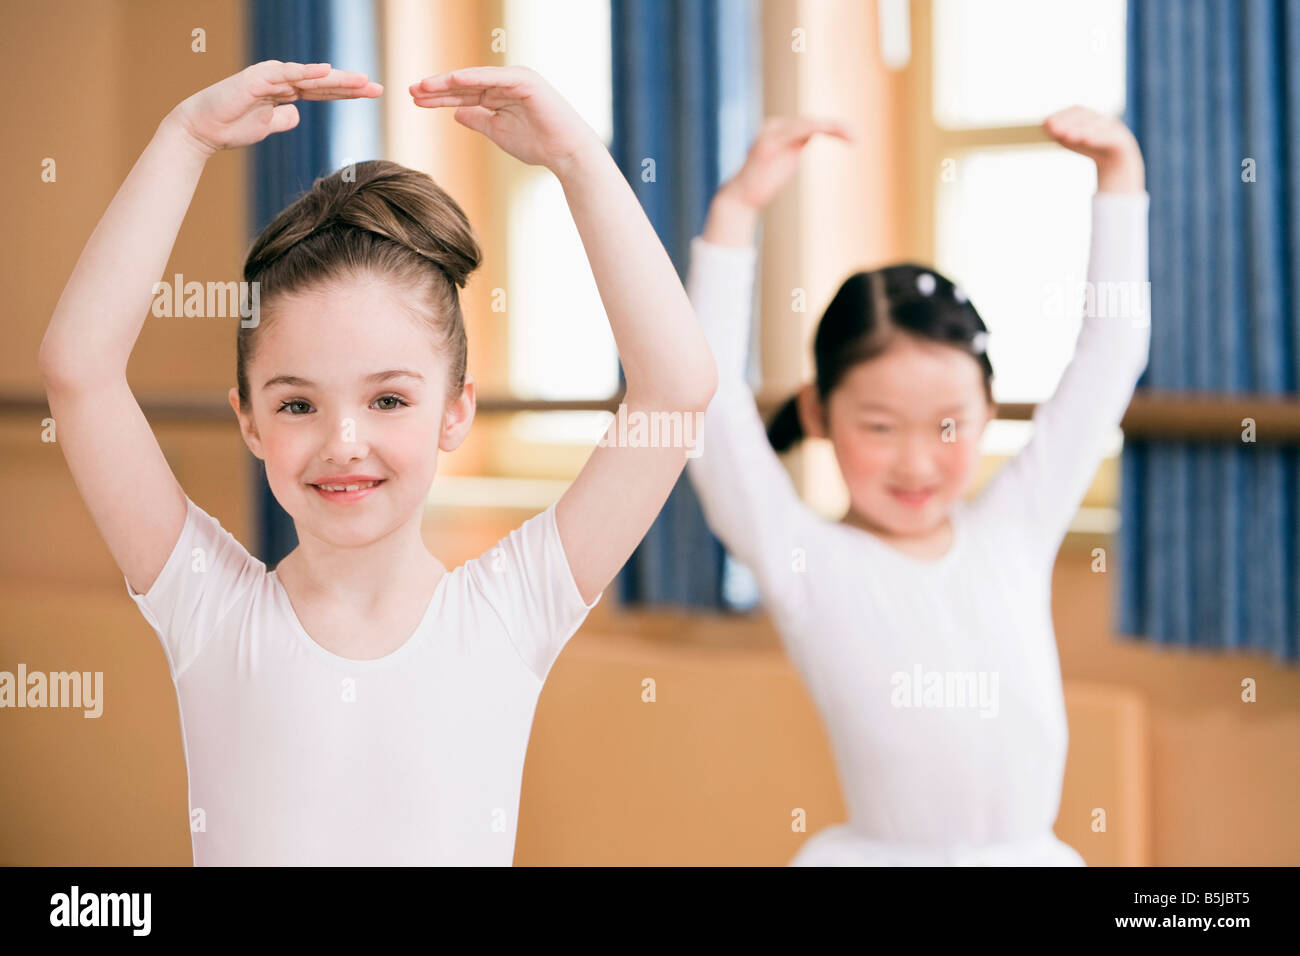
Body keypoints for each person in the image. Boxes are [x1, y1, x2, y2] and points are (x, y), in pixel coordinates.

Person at [38, 61, 716, 865]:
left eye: (388, 399)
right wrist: (182, 139)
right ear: (248, 420)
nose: (344, 441)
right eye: (298, 404)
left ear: (455, 409)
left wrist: (577, 158)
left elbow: (676, 389)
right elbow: (78, 372)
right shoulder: (209, 608)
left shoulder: (512, 608)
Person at [686, 109, 1149, 865]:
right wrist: (735, 212)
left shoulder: (1014, 531)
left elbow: (1111, 355)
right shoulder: (805, 561)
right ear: (819, 413)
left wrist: (1119, 178)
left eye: (945, 427)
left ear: (988, 415)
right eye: (878, 426)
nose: (915, 463)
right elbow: (704, 402)